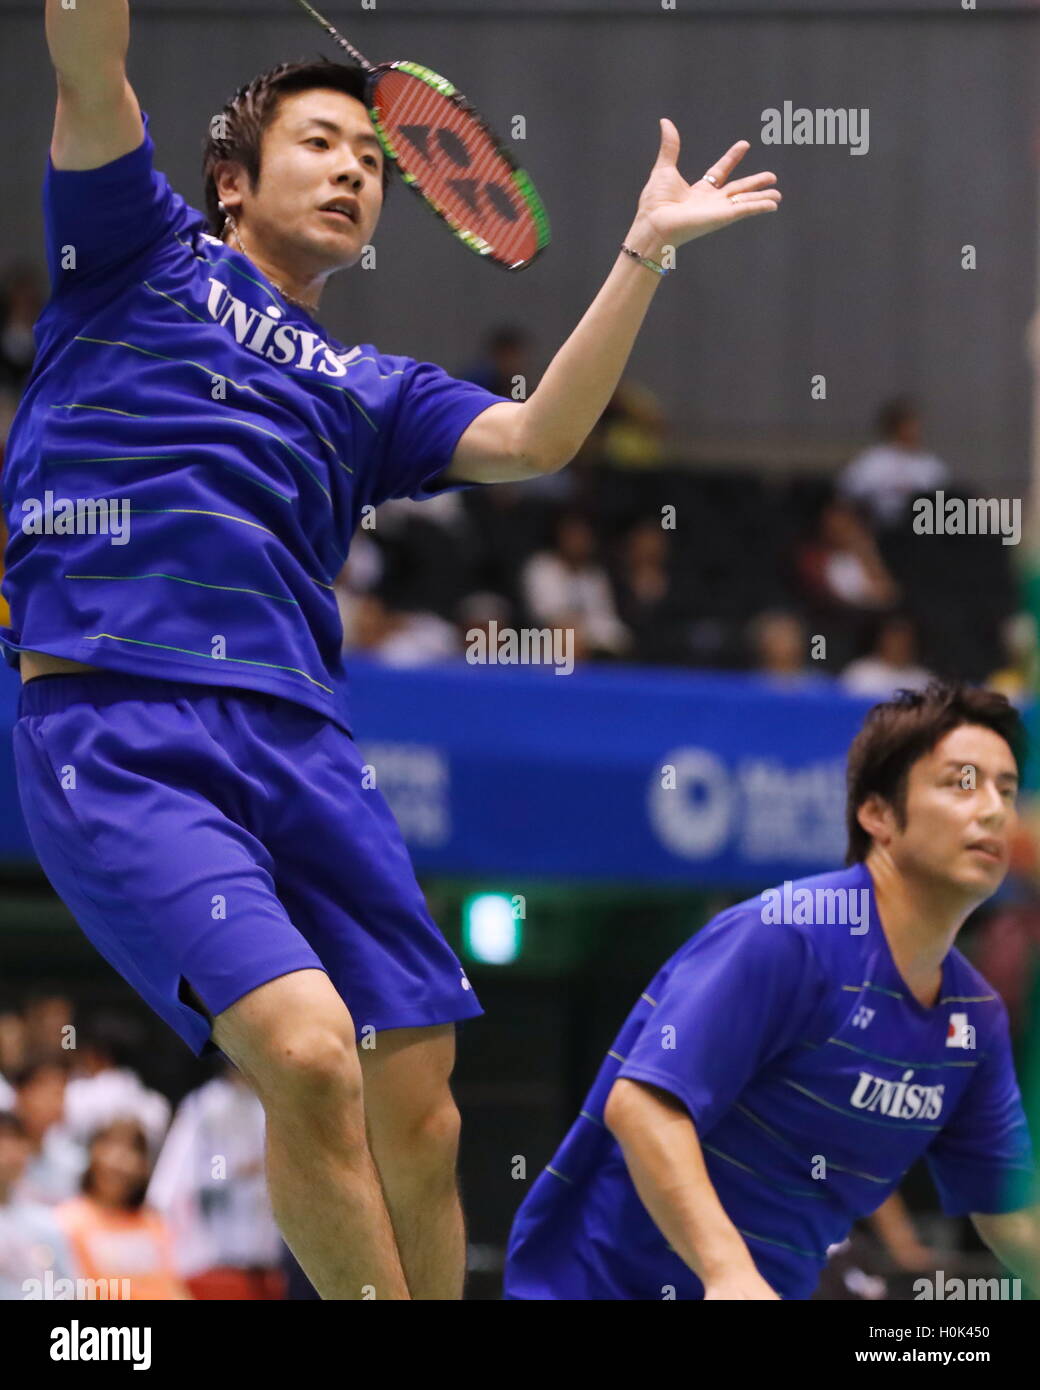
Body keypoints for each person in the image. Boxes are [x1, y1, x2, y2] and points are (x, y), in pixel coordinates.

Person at [2, 0, 781, 1301]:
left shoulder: (370, 384)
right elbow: (88, 49)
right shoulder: (131, 249)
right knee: (309, 1052)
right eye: (323, 143)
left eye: (373, 157)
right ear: (233, 180)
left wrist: (643, 250)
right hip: (120, 723)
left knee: (424, 1116)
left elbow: (538, 445)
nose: (358, 167)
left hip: (301, 736)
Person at [505, 683, 1040, 1299]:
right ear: (879, 815)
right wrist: (728, 1272)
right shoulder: (790, 936)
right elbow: (643, 1106)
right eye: (962, 782)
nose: (996, 808)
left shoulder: (973, 1017)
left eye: (1007, 788)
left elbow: (1009, 1210)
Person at [55, 1119, 190, 1300]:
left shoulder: (152, 1222)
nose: (119, 1160)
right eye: (109, 1146)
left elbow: (172, 1286)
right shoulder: (67, 1221)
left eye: (132, 1150)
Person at [838, 397, 949, 529]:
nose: (913, 430)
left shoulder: (930, 464)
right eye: (907, 424)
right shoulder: (872, 461)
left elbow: (943, 496)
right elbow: (848, 492)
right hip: (880, 527)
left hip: (920, 530)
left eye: (914, 424)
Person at [0, 1111, 75, 1300]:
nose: (12, 1152)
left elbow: (69, 1288)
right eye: (4, 1141)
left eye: (18, 1141)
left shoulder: (48, 1222)